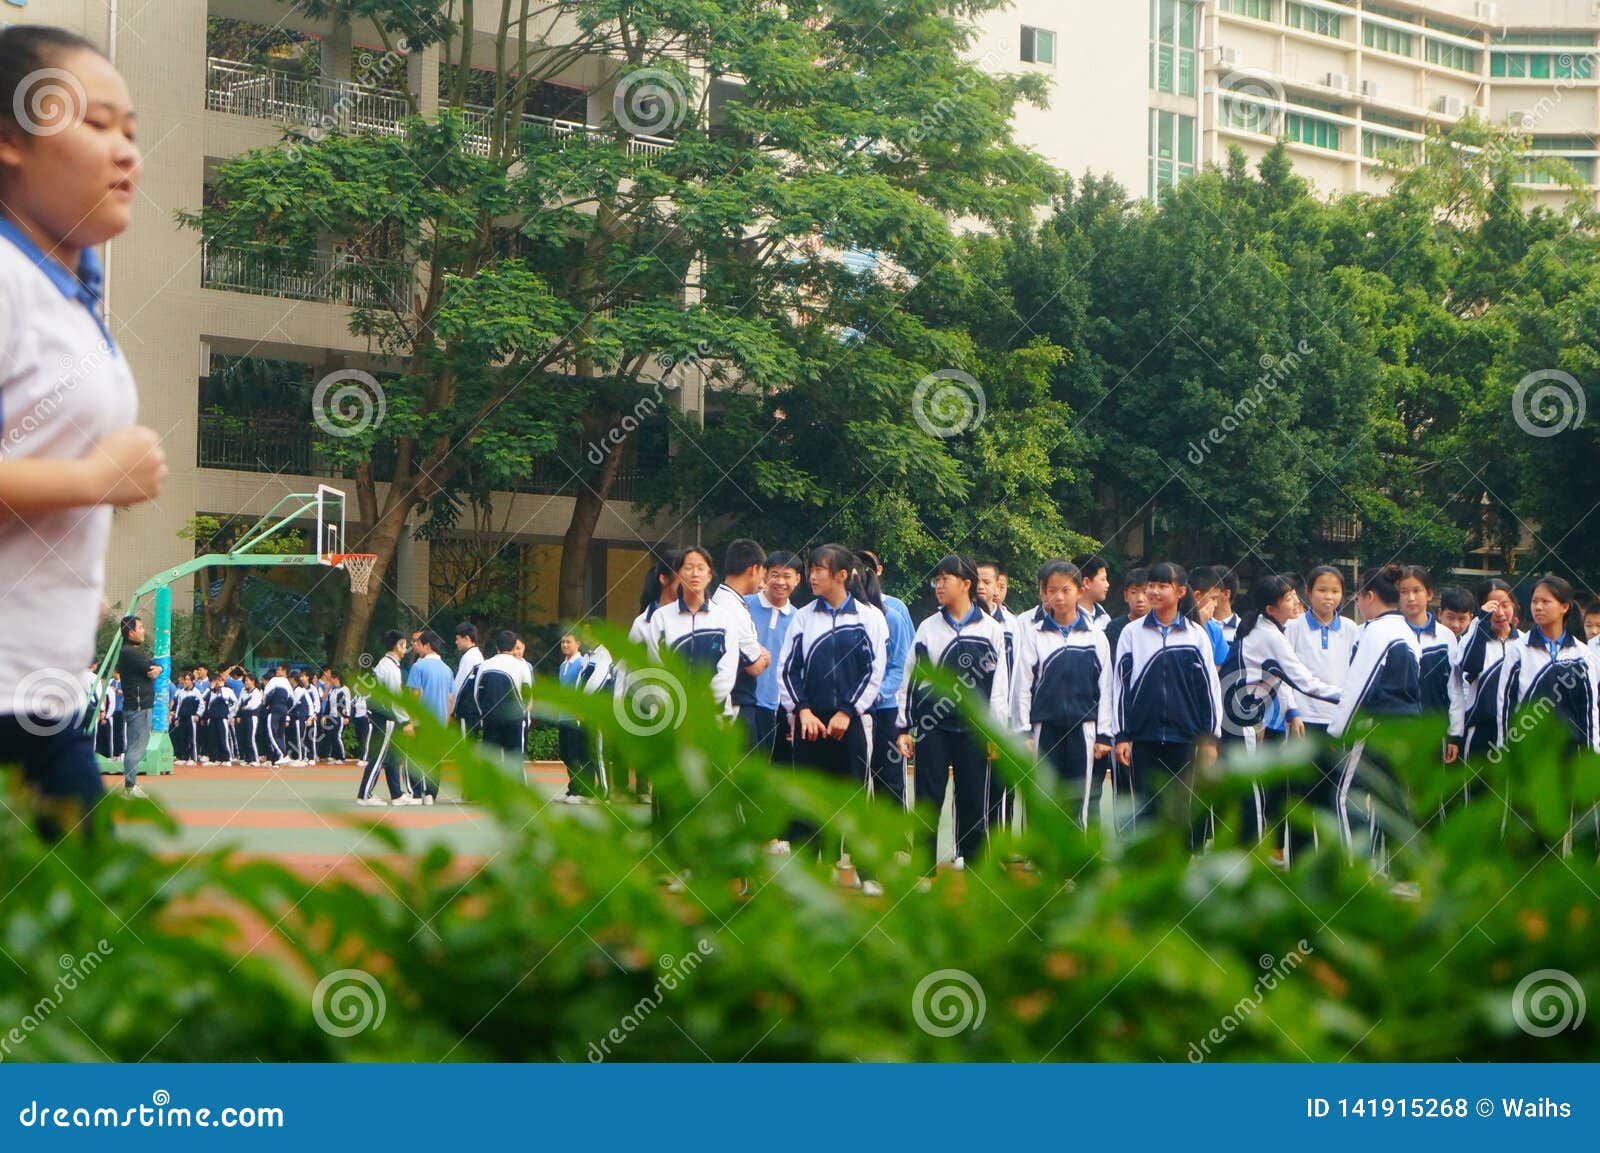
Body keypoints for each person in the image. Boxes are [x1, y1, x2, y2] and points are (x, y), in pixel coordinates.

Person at [0, 27, 163, 822]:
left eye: (131, 132)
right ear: (9, 139)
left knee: (88, 935)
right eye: (96, 125)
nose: (127, 152)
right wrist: (95, 482)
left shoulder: (65, 290)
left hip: (42, 700)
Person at [775, 544, 890, 865]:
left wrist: (847, 712)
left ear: (841, 575)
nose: (811, 576)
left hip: (850, 724)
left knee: (852, 798)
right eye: (811, 569)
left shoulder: (870, 619)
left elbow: (875, 671)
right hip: (809, 725)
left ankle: (864, 873)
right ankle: (809, 874)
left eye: (819, 570)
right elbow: (786, 669)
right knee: (808, 801)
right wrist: (802, 711)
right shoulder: (803, 618)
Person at [898, 554, 1010, 872]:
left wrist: (996, 732)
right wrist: (904, 727)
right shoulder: (928, 628)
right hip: (933, 728)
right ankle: (922, 869)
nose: (939, 585)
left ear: (966, 584)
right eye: (937, 579)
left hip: (975, 730)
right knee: (928, 800)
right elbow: (911, 678)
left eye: (946, 579)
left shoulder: (991, 630)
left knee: (974, 801)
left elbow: (999, 688)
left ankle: (975, 869)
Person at [1109, 561, 1223, 840]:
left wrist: (1209, 738)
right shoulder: (1131, 633)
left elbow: (1209, 690)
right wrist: (1122, 735)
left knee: (1181, 808)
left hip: (1184, 738)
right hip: (1143, 737)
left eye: (1163, 586)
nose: (1154, 591)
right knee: (1146, 808)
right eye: (1152, 585)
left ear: (1181, 591)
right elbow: (1120, 686)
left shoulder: (1196, 636)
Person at [1230, 574, 1342, 851]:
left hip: (1244, 717)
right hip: (1239, 718)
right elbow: (1304, 681)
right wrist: (1349, 697)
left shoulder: (1263, 626)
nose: (1295, 602)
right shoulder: (1270, 635)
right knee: (1253, 790)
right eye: (1288, 598)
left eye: (1294, 595)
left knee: (1252, 786)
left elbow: (1276, 675)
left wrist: (1291, 711)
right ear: (1271, 609)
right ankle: (1249, 856)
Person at [1329, 564, 1422, 861]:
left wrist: (1339, 732)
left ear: (1368, 595)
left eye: (1358, 597)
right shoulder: (1407, 631)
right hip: (1407, 727)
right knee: (1385, 802)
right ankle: (1381, 872)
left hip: (1378, 725)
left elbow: (1359, 686)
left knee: (1345, 799)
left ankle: (1354, 872)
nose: (1357, 603)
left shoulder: (1377, 631)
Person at [1010, 560, 1113, 829]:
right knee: (1043, 794)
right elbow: (1022, 686)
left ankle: (1075, 861)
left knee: (1078, 795)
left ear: (1080, 590)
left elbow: (1106, 687)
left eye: (1065, 590)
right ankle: (1041, 856)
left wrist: (1104, 734)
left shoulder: (1096, 637)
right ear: (1044, 593)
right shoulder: (1034, 635)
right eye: (1052, 590)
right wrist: (1023, 731)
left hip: (1084, 728)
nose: (1058, 597)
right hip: (1045, 727)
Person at [645, 547, 742, 716]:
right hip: (670, 716)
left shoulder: (725, 619)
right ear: (678, 574)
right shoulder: (661, 618)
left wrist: (700, 707)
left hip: (714, 717)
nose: (695, 574)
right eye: (688, 568)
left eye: (701, 568)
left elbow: (726, 672)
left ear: (709, 575)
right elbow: (655, 666)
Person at [859, 548, 914, 808]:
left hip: (886, 708)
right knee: (855, 775)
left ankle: (894, 845)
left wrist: (875, 693)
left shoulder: (893, 613)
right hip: (853, 711)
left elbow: (901, 664)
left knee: (889, 775)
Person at [1397, 565, 1465, 764]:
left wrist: (1455, 733)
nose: (1410, 598)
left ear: (1429, 594)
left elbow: (1455, 688)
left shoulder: (1445, 637)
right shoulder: (1389, 634)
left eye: (1416, 590)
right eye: (1404, 592)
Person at [741, 552, 800, 758]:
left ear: (797, 579)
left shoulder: (799, 619)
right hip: (745, 703)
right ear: (764, 574)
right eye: (775, 574)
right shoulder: (743, 606)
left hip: (781, 708)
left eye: (787, 576)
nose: (781, 582)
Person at [718, 538, 774, 740]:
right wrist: (763, 656)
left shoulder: (720, 599)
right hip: (736, 704)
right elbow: (755, 666)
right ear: (753, 569)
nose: (763, 579)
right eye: (763, 572)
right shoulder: (733, 608)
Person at [358, 630, 414, 806]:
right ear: (397, 646)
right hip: (386, 717)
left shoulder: (385, 664)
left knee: (390, 755)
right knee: (379, 756)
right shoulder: (390, 668)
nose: (405, 649)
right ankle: (365, 795)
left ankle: (396, 794)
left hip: (381, 715)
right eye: (404, 645)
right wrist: (405, 721)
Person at [476, 630, 534, 776]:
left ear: (497, 646)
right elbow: (527, 695)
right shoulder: (522, 666)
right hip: (514, 718)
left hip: (490, 718)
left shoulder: (485, 665)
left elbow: (477, 694)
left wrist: (483, 713)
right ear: (514, 646)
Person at [404, 630, 452, 804]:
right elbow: (450, 699)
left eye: (420, 644)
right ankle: (431, 793)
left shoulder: (418, 667)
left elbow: (414, 695)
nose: (417, 646)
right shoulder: (447, 670)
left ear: (428, 646)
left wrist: (410, 720)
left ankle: (417, 793)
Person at [1103, 567, 1150, 656]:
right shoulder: (1115, 628)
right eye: (1134, 592)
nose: (1140, 599)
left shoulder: (1161, 627)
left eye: (1145, 592)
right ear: (1125, 596)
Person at [450, 622, 484, 739]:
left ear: (467, 638)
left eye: (457, 639)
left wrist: (451, 710)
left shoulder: (469, 657)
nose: (456, 642)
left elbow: (459, 686)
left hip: (467, 711)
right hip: (474, 711)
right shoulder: (477, 655)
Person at [263, 665, 294, 766]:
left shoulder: (274, 680)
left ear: (285, 671)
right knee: (280, 734)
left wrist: (266, 705)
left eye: (279, 669)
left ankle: (282, 755)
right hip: (284, 710)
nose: (277, 671)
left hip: (274, 709)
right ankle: (278, 757)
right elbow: (291, 700)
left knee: (272, 733)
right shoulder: (287, 682)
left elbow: (266, 694)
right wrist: (286, 710)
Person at [1072, 555, 1112, 631]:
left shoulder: (1104, 616)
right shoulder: (1066, 616)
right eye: (1103, 579)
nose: (1107, 584)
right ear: (1086, 582)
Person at [238, 672, 264, 765]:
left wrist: (245, 708)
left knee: (250, 738)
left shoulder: (256, 692)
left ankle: (255, 759)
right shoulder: (243, 691)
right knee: (244, 738)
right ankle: (248, 759)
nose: (245, 682)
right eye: (245, 680)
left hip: (252, 717)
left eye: (247, 680)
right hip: (244, 717)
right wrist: (238, 714)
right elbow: (239, 703)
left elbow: (253, 705)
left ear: (252, 681)